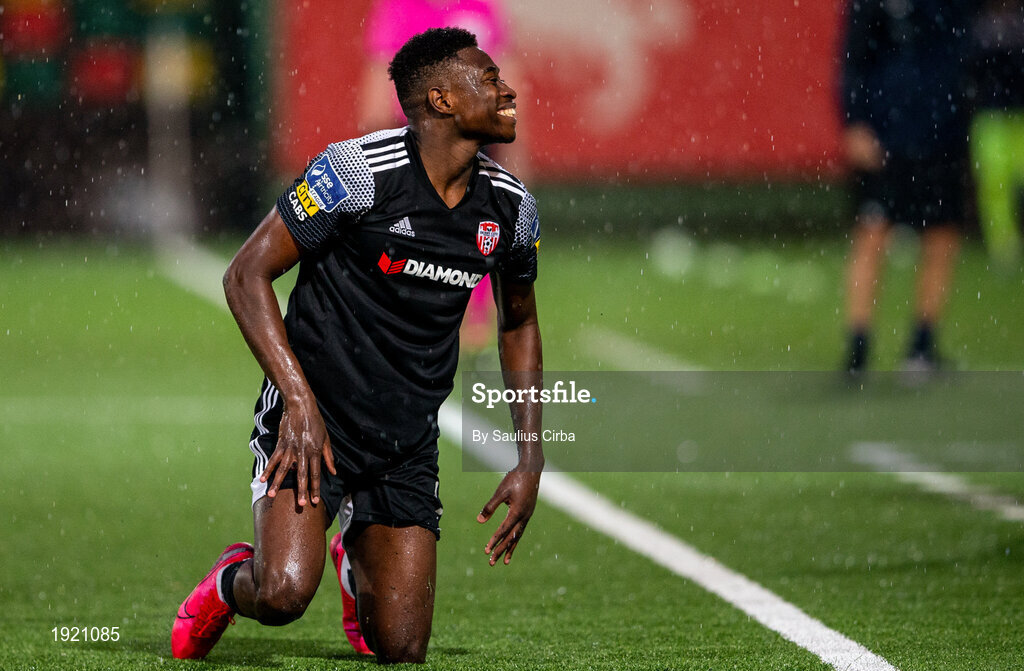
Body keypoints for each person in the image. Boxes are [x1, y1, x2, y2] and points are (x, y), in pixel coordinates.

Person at [171, 27, 543, 664]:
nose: (507, 90)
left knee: (400, 648)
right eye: (489, 79)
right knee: (283, 593)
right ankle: (231, 584)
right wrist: (299, 403)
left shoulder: (511, 208)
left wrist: (530, 456)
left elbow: (518, 325)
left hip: (404, 440)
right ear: (440, 100)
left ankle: (353, 560)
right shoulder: (356, 173)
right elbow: (244, 274)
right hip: (313, 420)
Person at [840, 0, 974, 373]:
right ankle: (858, 347)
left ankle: (922, 345)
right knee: (872, 231)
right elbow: (853, 57)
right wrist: (854, 120)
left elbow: (965, 46)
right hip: (887, 131)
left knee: (942, 234)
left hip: (943, 130)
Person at [970, 0, 1024, 269]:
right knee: (994, 182)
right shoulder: (974, 18)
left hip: (1019, 112)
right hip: (989, 114)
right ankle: (1003, 243)